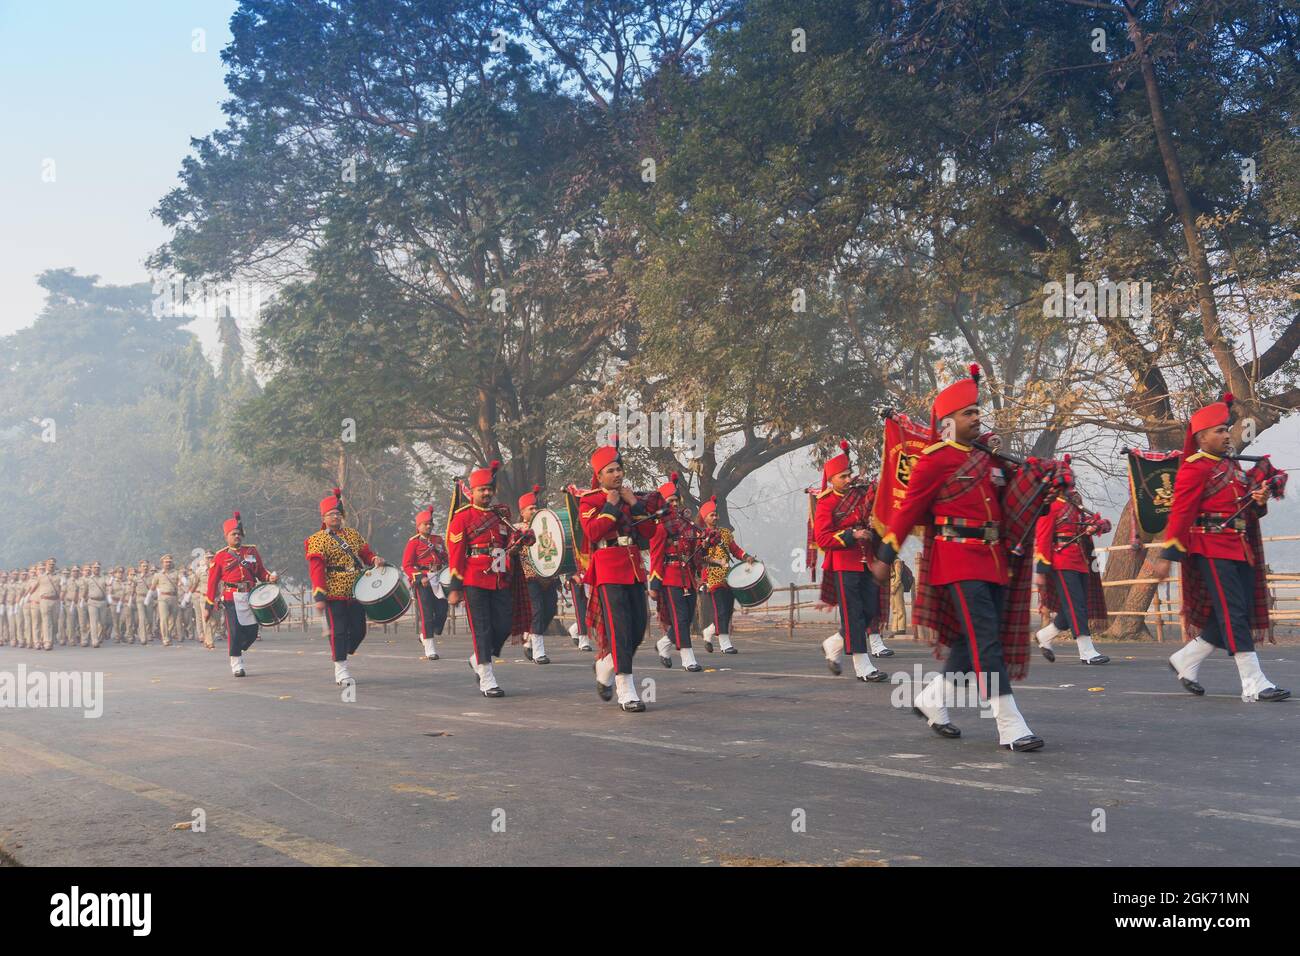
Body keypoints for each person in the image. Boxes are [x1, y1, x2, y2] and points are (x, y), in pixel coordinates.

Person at [871, 364, 1044, 752]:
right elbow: (907, 511)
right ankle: (1010, 724)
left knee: (976, 639)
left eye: (978, 410)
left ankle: (934, 697)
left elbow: (1009, 505)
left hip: (994, 560)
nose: (977, 417)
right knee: (985, 640)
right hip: (958, 560)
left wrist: (1040, 480)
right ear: (947, 421)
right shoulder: (934, 460)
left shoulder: (988, 459)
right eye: (969, 412)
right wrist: (885, 554)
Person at [1153, 393, 1289, 702]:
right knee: (1234, 613)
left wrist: (1259, 501)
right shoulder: (1194, 468)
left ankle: (1185, 661)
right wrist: (1166, 556)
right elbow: (1180, 513)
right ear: (1201, 437)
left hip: (1238, 546)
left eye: (1227, 429)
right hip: (1210, 547)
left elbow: (1246, 511)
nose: (1227, 435)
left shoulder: (1233, 467)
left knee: (1229, 613)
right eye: (1219, 430)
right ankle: (1253, 681)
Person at [579, 439, 662, 712]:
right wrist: (612, 506)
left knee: (638, 627)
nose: (617, 474)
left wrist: (635, 505)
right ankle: (626, 689)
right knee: (619, 628)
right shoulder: (590, 501)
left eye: (619, 469)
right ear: (599, 476)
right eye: (611, 471)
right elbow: (593, 533)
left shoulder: (632, 497)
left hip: (634, 567)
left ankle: (604, 665)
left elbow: (649, 535)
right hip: (608, 568)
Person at [445, 462, 531, 698]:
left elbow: (508, 545)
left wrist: (522, 539)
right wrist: (455, 587)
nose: (486, 493)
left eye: (489, 489)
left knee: (504, 625)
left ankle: (477, 658)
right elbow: (455, 555)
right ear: (472, 492)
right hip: (473, 578)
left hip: (500, 577)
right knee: (481, 629)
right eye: (481, 489)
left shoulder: (499, 516)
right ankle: (487, 676)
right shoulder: (462, 518)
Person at [813, 445, 889, 682]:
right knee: (854, 615)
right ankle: (863, 667)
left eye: (848, 475)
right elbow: (822, 538)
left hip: (867, 561)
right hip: (844, 564)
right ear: (832, 479)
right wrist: (851, 536)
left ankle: (834, 643)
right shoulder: (826, 502)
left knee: (870, 612)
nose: (848, 479)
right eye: (842, 476)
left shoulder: (860, 493)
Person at [1033, 458, 1112, 664]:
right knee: (1076, 607)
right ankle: (1087, 651)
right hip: (1061, 561)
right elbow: (1042, 539)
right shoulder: (1049, 507)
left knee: (1076, 606)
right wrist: (1041, 571)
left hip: (1080, 560)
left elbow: (1088, 525)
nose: (1071, 487)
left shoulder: (1074, 505)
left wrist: (1097, 526)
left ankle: (1045, 636)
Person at [305, 489, 384, 687]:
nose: (336, 516)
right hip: (333, 591)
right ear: (324, 517)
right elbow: (316, 569)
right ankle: (341, 669)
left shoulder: (352, 534)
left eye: (338, 513)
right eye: (332, 513)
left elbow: (365, 553)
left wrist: (374, 559)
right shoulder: (317, 540)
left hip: (356, 589)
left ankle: (340, 651)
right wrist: (319, 595)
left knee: (359, 631)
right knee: (339, 631)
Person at [206, 512, 277, 677]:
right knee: (235, 631)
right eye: (233, 534)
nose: (237, 536)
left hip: (251, 596)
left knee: (252, 630)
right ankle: (236, 663)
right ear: (226, 537)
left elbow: (260, 571)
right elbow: (212, 582)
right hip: (232, 597)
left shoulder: (251, 551)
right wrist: (209, 604)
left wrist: (269, 577)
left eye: (239, 533)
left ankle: (238, 647)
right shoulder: (220, 556)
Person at [649, 473, 706, 672]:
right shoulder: (660, 525)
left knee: (688, 617)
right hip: (671, 576)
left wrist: (705, 544)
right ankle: (687, 657)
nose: (673, 504)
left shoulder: (686, 522)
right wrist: (654, 584)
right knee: (680, 617)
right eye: (669, 501)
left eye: (675, 500)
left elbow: (694, 548)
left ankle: (664, 644)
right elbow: (655, 555)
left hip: (688, 575)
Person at [696, 495, 756, 655]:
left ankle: (708, 631)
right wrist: (716, 561)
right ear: (705, 518)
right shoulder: (701, 536)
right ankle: (724, 643)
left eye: (716, 514)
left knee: (728, 610)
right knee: (721, 609)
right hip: (712, 577)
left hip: (729, 577)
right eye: (711, 515)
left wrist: (746, 557)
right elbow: (700, 558)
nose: (715, 517)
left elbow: (735, 549)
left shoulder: (725, 533)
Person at [402, 506, 449, 661]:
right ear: (418, 526)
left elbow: (444, 557)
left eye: (430, 523)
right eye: (425, 524)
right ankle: (430, 648)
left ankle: (425, 634)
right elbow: (407, 565)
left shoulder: (438, 540)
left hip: (438, 577)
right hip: (422, 581)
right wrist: (419, 576)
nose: (428, 526)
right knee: (427, 615)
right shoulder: (413, 543)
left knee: (442, 610)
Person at [516, 485, 556, 665]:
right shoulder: (517, 529)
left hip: (549, 576)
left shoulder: (548, 526)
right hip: (529, 577)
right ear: (522, 512)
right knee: (537, 611)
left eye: (535, 507)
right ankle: (539, 651)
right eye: (530, 508)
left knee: (550, 610)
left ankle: (531, 639)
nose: (534, 511)